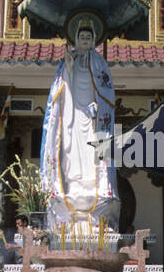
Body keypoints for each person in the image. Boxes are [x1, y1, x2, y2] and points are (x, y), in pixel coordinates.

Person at [39, 19, 119, 235]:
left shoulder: (100, 63)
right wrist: (68, 67)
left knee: (91, 152)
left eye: (88, 38)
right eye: (81, 37)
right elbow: (59, 91)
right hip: (72, 115)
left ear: (94, 41)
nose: (85, 41)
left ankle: (93, 201)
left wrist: (99, 106)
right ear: (75, 40)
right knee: (70, 152)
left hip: (92, 117)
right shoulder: (68, 60)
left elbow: (108, 93)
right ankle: (71, 190)